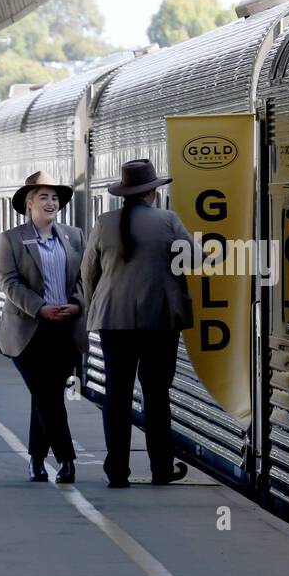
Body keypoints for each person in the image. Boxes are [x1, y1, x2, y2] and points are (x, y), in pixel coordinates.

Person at [81, 159, 193, 488]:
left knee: (117, 394)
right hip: (159, 321)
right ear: (152, 193)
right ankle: (161, 469)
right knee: (156, 394)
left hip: (113, 322)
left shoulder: (104, 223)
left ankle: (117, 471)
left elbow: (89, 274)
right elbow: (196, 258)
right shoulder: (168, 221)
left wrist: (94, 307)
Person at [0, 171, 88, 484]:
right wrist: (40, 307)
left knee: (44, 396)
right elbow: (9, 283)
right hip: (27, 331)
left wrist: (76, 304)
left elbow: (85, 278)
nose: (51, 203)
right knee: (48, 395)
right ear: (29, 202)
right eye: (44, 197)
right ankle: (66, 460)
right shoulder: (12, 239)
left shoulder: (74, 236)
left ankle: (36, 461)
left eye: (55, 197)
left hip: (65, 329)